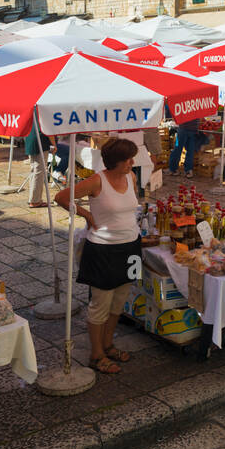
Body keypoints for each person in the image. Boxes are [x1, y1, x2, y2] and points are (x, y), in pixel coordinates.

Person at [55, 136, 142, 374]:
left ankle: (108, 344)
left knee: (119, 301)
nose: (132, 163)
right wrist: (86, 214)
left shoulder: (131, 177)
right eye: (128, 159)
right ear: (115, 161)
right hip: (103, 248)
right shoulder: (96, 181)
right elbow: (61, 197)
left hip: (130, 246)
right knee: (100, 304)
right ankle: (96, 354)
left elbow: (131, 206)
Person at [24, 114, 52, 208]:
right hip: (39, 139)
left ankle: (33, 199)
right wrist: (54, 144)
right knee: (38, 171)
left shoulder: (34, 106)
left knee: (34, 170)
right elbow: (48, 129)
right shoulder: (43, 107)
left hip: (30, 137)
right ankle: (35, 200)